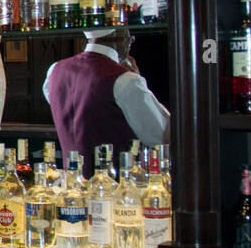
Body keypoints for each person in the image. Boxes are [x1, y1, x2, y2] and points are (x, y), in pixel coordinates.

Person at [42, 27, 169, 174]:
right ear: (118, 37)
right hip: (115, 186)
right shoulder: (126, 80)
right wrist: (141, 84)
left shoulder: (55, 70)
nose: (130, 42)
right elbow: (160, 134)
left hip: (70, 184)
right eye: (129, 37)